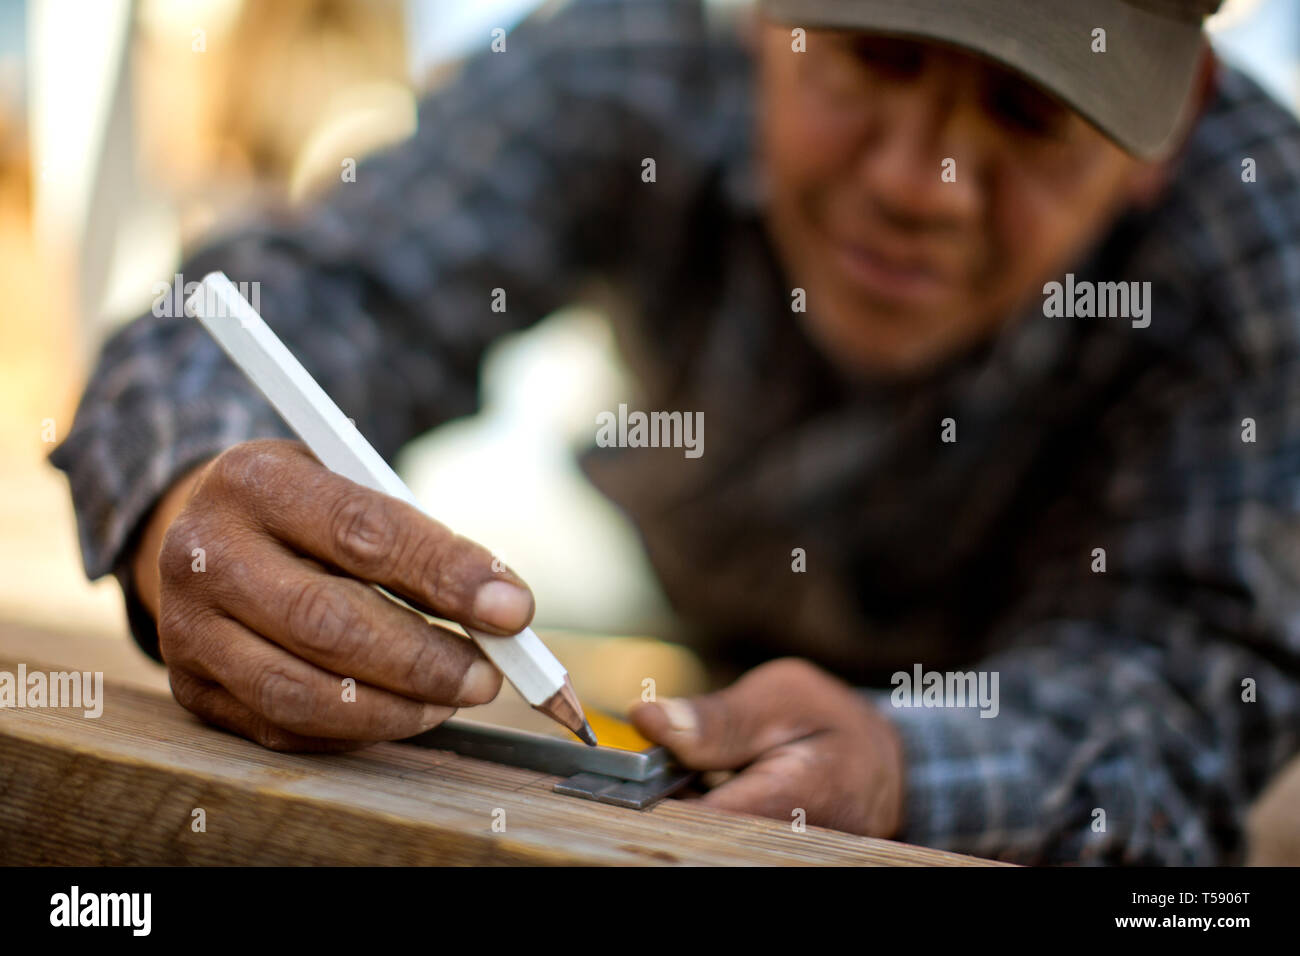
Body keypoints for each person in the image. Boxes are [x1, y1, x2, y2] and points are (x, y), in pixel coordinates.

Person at [51, 0, 1300, 864]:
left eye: (1030, 117)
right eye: (870, 56)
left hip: (1038, 661)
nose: (921, 185)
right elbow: (299, 300)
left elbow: (1191, 703)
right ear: (758, 20)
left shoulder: (1260, 240)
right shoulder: (628, 57)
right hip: (681, 563)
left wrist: (907, 765)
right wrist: (193, 502)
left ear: (1174, 121)